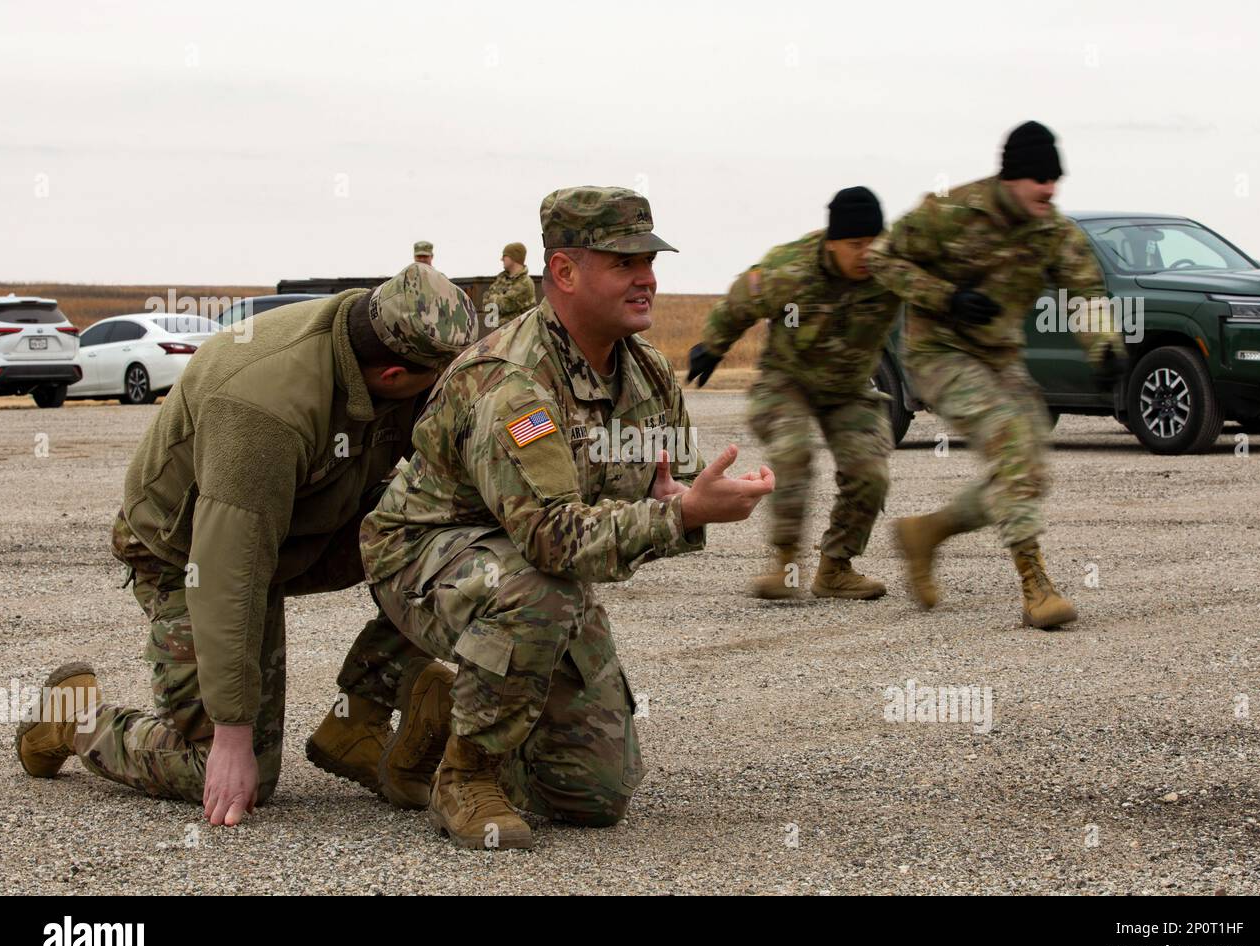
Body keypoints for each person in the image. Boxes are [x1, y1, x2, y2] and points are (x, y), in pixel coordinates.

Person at [361, 186, 775, 849]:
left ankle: (440, 720)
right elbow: (554, 539)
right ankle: (466, 776)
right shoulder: (512, 381)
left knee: (594, 794)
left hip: (525, 563)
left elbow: (666, 492)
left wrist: (687, 503)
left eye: (649, 261)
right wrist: (678, 518)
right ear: (564, 272)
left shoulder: (644, 376)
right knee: (539, 589)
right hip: (425, 553)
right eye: (624, 262)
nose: (647, 279)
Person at [16, 264, 478, 825]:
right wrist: (232, 731)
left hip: (296, 530)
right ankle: (73, 719)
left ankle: (358, 717)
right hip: (182, 556)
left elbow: (451, 471)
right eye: (437, 381)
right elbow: (225, 569)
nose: (446, 391)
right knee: (231, 770)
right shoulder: (263, 411)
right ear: (394, 374)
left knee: (446, 534)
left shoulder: (381, 350)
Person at [867, 121, 1129, 628]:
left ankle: (928, 532)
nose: (1049, 188)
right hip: (939, 353)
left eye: (1055, 179)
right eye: (1038, 178)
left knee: (1027, 473)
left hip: (999, 358)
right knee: (1010, 441)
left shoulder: (1053, 231)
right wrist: (947, 297)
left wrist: (1103, 347)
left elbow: (1085, 291)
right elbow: (882, 258)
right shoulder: (950, 213)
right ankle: (1036, 586)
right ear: (1011, 177)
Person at [688, 187, 899, 600]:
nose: (867, 253)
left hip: (849, 387)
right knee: (793, 454)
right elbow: (739, 302)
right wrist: (713, 346)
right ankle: (785, 564)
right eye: (856, 245)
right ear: (832, 242)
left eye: (874, 242)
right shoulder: (791, 268)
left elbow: (938, 287)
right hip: (787, 381)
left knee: (870, 474)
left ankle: (836, 568)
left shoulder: (895, 266)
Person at [480, 242, 538, 329]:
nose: (501, 259)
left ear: (514, 257)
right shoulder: (501, 279)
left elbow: (506, 305)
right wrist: (497, 300)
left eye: (505, 256)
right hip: (498, 333)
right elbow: (486, 304)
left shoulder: (525, 283)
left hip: (518, 335)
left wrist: (493, 299)